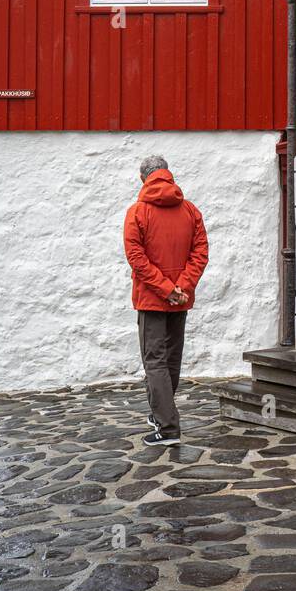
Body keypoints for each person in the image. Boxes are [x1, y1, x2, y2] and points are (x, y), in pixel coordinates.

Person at [123, 156, 209, 446]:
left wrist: (164, 288)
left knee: (155, 361)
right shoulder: (191, 211)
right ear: (168, 175)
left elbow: (137, 259)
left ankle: (168, 427)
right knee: (171, 357)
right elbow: (200, 253)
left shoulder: (137, 212)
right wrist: (180, 287)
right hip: (180, 299)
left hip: (151, 298)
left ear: (143, 178)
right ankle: (162, 411)